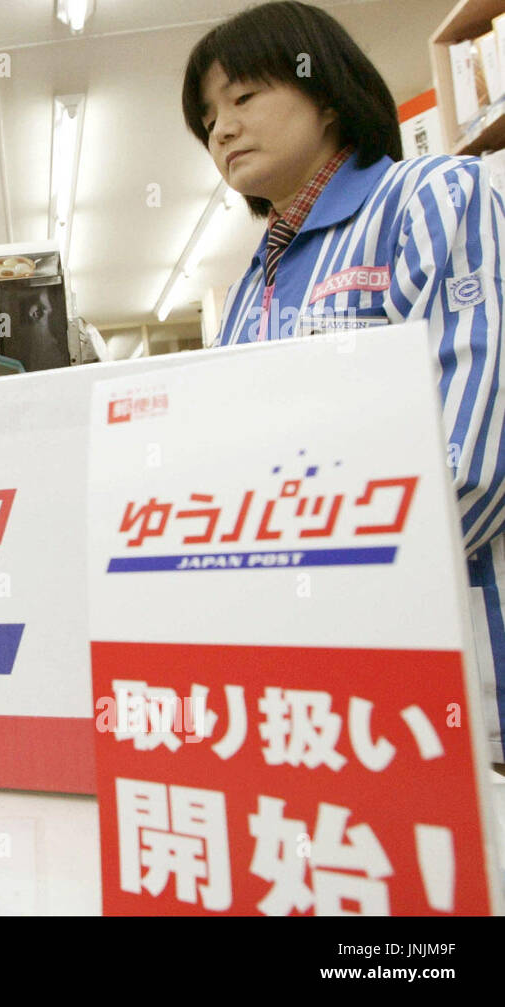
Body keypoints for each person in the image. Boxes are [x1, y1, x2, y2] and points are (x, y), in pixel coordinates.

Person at [183, 1, 505, 761]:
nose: (220, 129)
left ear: (324, 91)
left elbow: (474, 453)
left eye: (243, 97)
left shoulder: (433, 199)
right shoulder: (245, 296)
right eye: (206, 117)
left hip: (462, 686)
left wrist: (302, 600)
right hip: (320, 699)